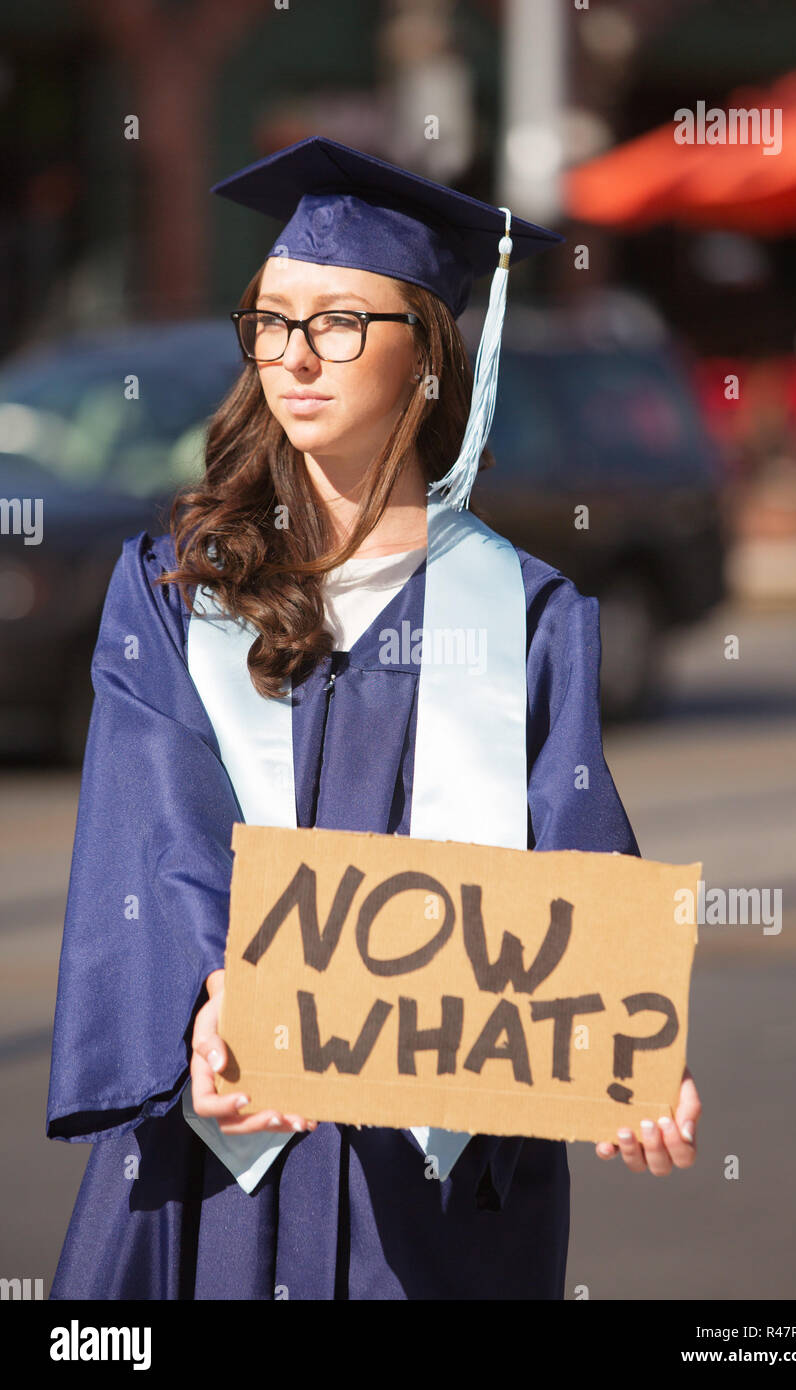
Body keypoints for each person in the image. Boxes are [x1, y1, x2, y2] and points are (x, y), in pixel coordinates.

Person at [46, 137, 701, 1301]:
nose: (294, 355)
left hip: (435, 1181)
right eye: (270, 320)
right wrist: (211, 1004)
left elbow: (574, 851)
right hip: (223, 1141)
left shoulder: (525, 610)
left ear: (430, 361)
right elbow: (152, 833)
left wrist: (630, 1050)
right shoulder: (171, 592)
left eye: (341, 322)